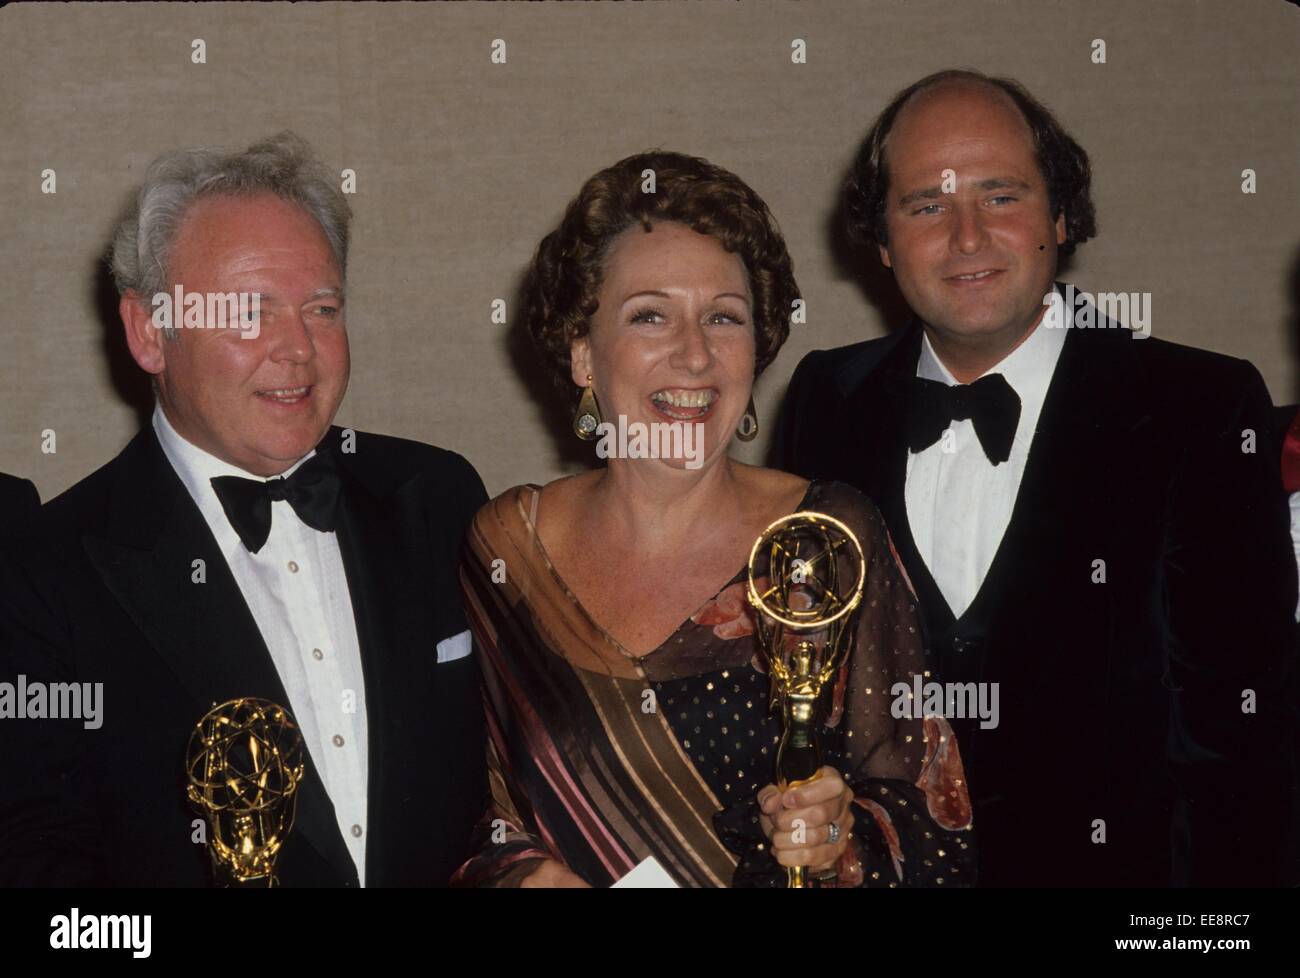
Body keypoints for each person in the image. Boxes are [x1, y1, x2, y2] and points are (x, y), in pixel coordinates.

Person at [777, 69, 1297, 886]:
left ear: (1061, 215)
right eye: (925, 206)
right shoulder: (823, 399)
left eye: (1001, 196)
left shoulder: (1198, 404)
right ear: (880, 240)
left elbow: (1241, 740)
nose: (967, 237)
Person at [452, 151, 974, 888]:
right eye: (650, 315)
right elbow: (464, 814)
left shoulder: (828, 538)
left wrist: (840, 841)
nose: (695, 355)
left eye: (723, 317)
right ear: (582, 356)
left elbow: (936, 828)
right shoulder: (506, 550)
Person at [0, 133, 487, 887]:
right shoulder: (42, 572)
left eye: (322, 308)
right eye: (250, 310)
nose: (298, 349)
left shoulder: (436, 496)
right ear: (149, 333)